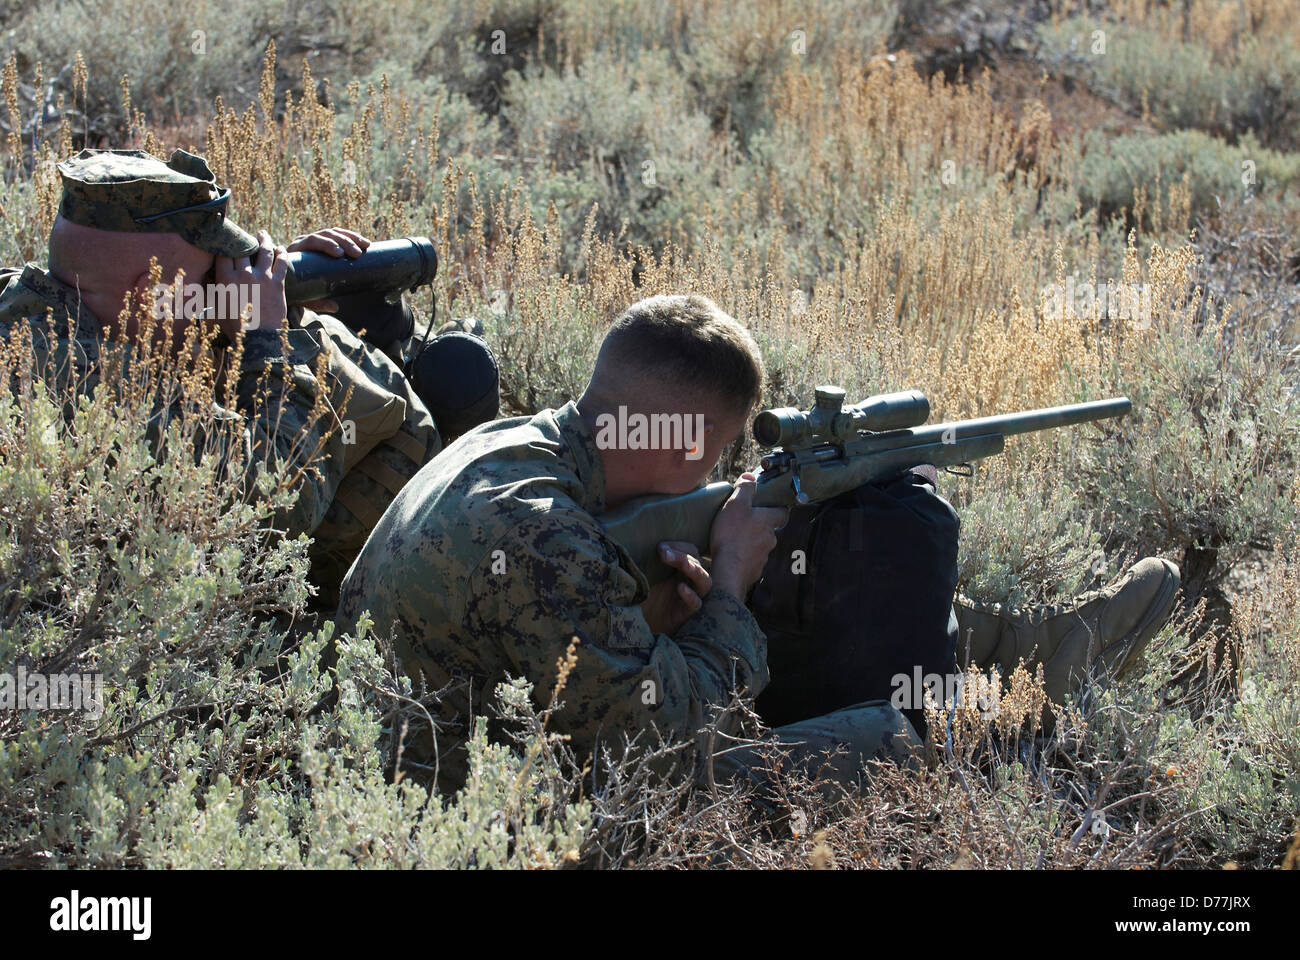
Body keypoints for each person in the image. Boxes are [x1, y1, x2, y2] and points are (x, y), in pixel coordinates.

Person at [337, 293, 1180, 795]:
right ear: (680, 446)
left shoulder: (517, 445)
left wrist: (688, 607)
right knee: (893, 738)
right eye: (720, 451)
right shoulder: (546, 536)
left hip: (438, 739)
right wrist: (732, 584)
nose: (721, 470)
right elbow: (666, 753)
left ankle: (1021, 643)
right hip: (467, 810)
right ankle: (1013, 708)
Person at [0, 147, 447, 609]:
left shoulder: (38, 305)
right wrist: (266, 338)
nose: (215, 289)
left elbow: (155, 322)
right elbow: (274, 506)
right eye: (206, 276)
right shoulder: (88, 380)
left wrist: (265, 288)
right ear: (147, 291)